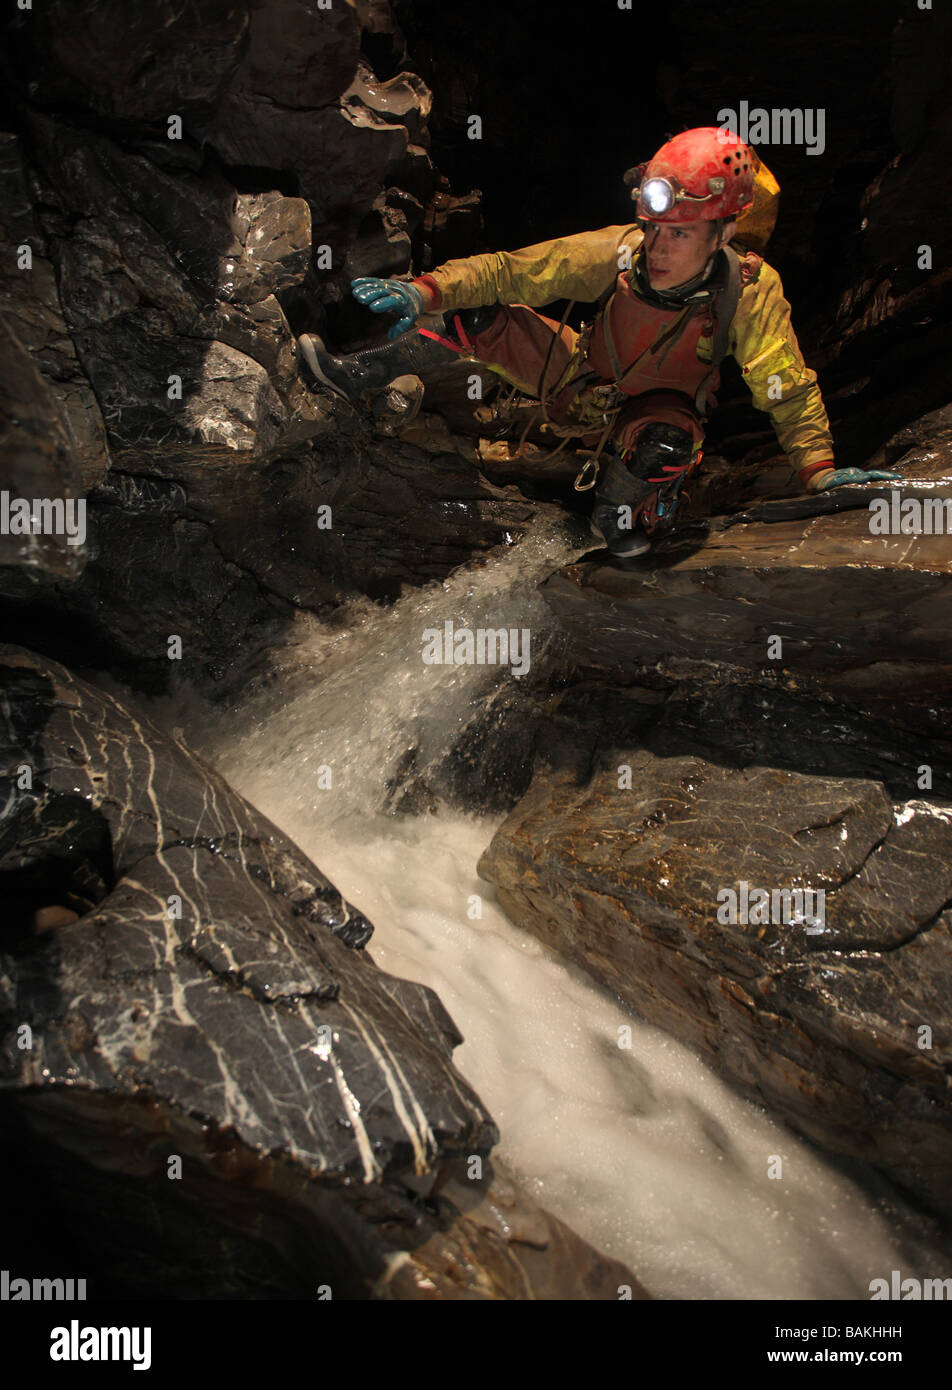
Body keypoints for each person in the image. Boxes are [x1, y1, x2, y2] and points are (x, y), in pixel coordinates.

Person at [298, 127, 898, 559]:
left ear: (724, 232)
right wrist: (425, 292)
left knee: (660, 446)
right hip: (578, 379)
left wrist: (817, 468)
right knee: (480, 316)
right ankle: (358, 375)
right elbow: (517, 270)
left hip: (656, 417)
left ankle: (627, 520)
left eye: (680, 234)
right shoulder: (623, 252)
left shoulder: (749, 289)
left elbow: (783, 384)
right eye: (652, 230)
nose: (658, 250)